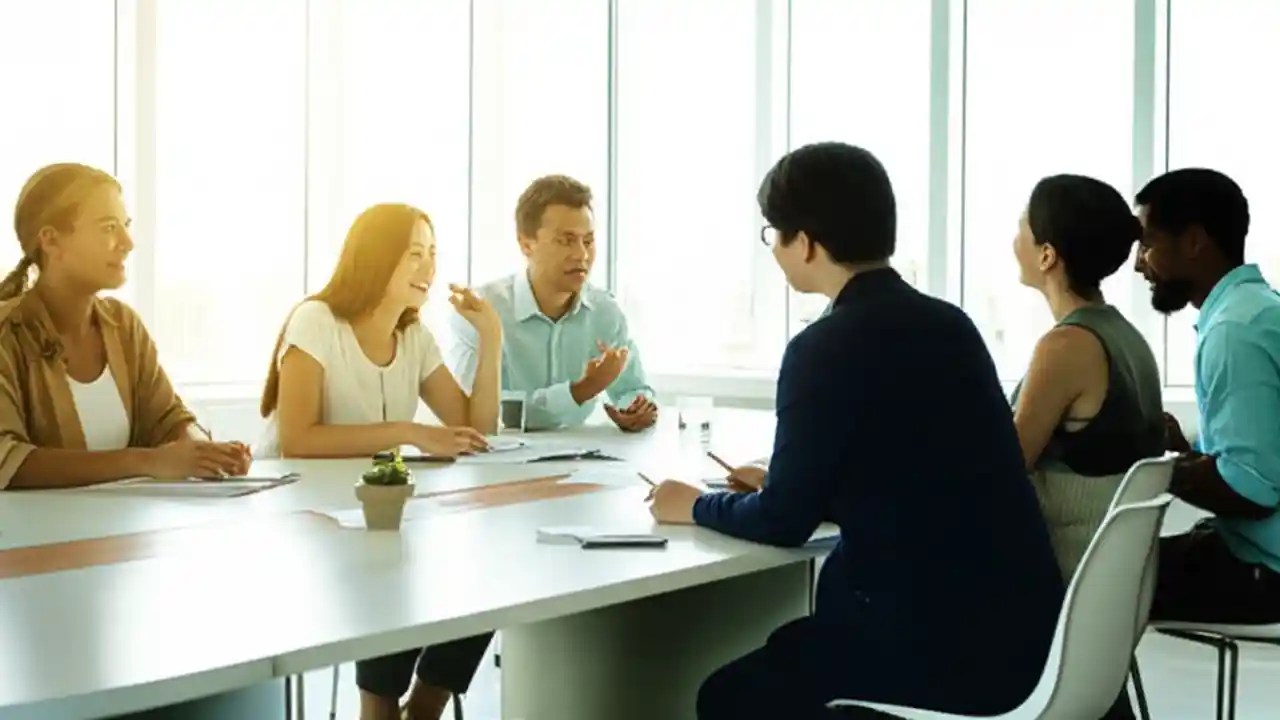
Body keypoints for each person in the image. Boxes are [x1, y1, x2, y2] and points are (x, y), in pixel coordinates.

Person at [646, 143, 1064, 719]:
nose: (774, 251)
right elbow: (923, 477)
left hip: (927, 649)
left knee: (726, 696)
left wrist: (693, 505)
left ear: (808, 243)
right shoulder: (951, 325)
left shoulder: (822, 348)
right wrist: (796, 482)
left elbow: (783, 521)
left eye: (775, 235)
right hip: (1021, 639)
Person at [257, 203, 501, 720]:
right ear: (374, 258)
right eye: (413, 254)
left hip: (373, 516)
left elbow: (475, 429)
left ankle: (423, 707)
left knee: (485, 579)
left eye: (433, 254)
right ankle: (381, 707)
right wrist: (409, 433)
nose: (428, 269)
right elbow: (297, 439)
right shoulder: (316, 320)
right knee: (386, 573)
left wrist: (491, 337)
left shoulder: (413, 336)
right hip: (299, 522)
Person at [0, 163, 250, 490]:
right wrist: (145, 460)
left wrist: (203, 451)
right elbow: (8, 460)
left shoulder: (123, 325)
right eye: (108, 228)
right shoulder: (8, 332)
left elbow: (167, 419)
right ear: (51, 241)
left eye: (125, 225)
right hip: (32, 540)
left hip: (118, 536)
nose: (128, 242)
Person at [1134, 168, 1280, 624]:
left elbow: (1253, 491)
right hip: (1246, 548)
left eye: (1149, 243)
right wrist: (1184, 452)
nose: (1140, 263)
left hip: (1265, 571)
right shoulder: (1254, 311)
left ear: (1194, 242)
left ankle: (1071, 697)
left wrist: (1150, 470)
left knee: (1090, 588)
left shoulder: (1233, 331)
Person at [1010, 174, 1165, 579]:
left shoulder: (1066, 347)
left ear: (1047, 255)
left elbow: (1003, 468)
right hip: (1109, 581)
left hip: (1062, 576)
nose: (1015, 237)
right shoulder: (1126, 336)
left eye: (1021, 226)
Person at [447, 175, 656, 432]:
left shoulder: (605, 312)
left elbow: (632, 389)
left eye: (588, 241)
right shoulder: (481, 312)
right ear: (526, 244)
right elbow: (487, 415)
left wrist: (637, 408)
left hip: (585, 462)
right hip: (498, 465)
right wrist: (580, 391)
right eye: (566, 240)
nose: (582, 254)